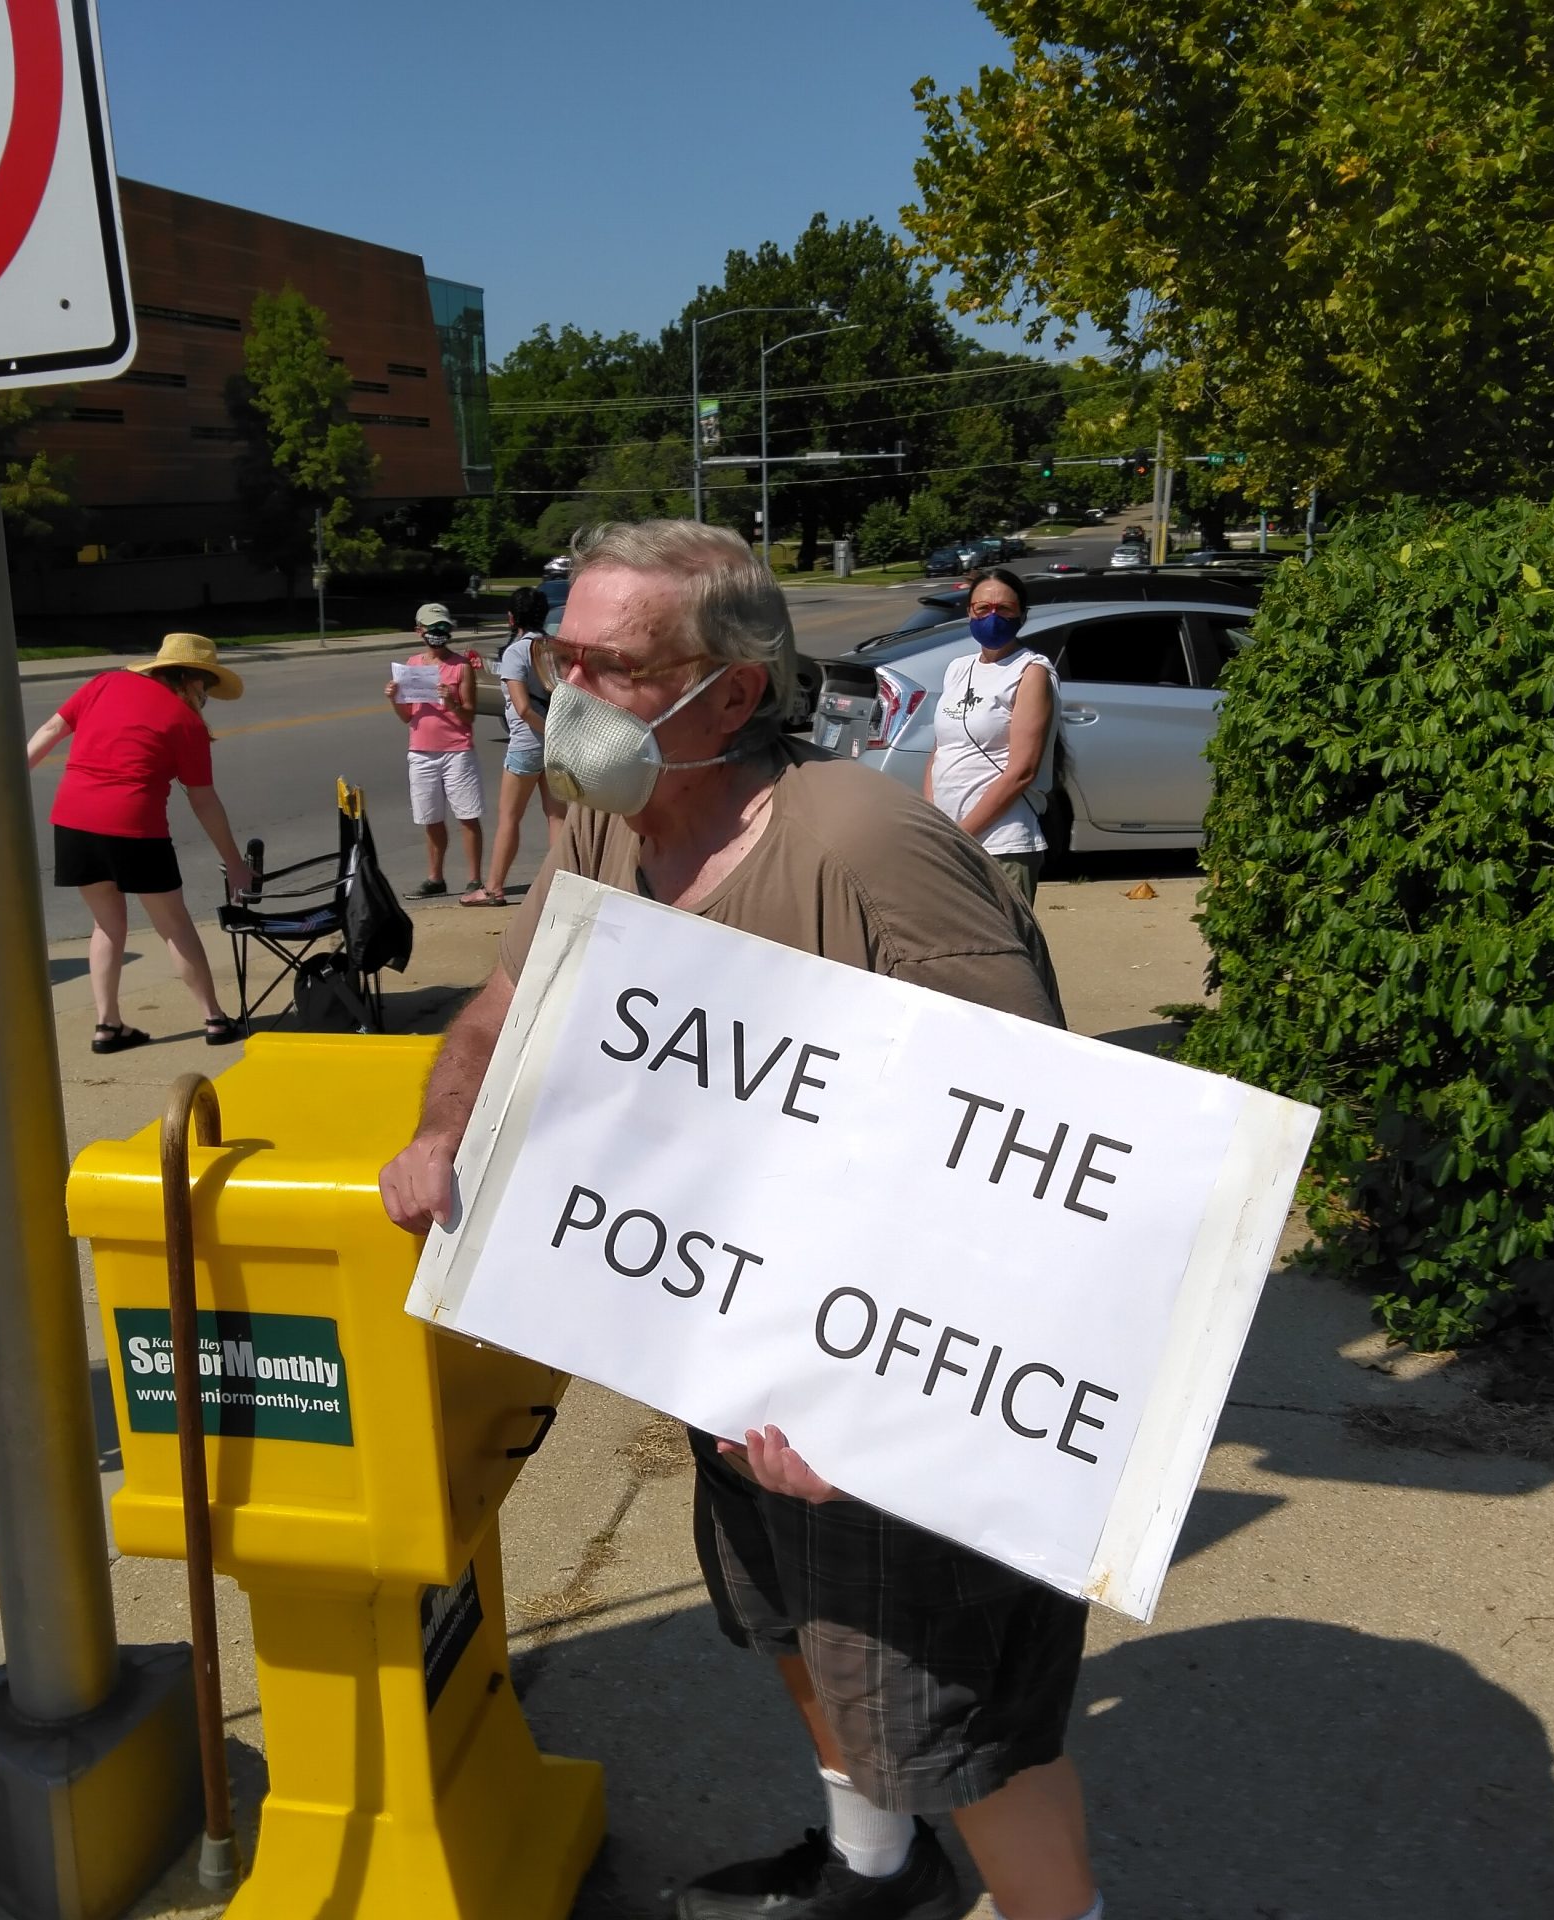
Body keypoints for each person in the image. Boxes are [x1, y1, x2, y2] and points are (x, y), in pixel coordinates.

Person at [378, 522, 1104, 1920]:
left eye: (610, 664)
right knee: (795, 1628)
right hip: (725, 1349)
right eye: (558, 650)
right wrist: (444, 1122)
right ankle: (872, 1872)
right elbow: (507, 1000)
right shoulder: (607, 817)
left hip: (881, 1382)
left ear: (729, 689)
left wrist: (885, 1402)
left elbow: (1033, 1145)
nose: (559, 690)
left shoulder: (870, 846)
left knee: (963, 1722)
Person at [23, 633, 254, 1053]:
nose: (207, 698)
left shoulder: (104, 683)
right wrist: (234, 862)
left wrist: (11, 781)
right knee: (173, 925)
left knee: (106, 925)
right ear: (192, 680)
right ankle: (215, 1019)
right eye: (207, 688)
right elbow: (203, 800)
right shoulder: (187, 724)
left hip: (73, 820)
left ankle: (107, 1026)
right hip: (135, 826)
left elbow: (52, 729)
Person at [923, 566, 1058, 903]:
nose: (992, 617)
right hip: (949, 841)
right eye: (983, 608)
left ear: (1022, 616)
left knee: (1006, 951)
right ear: (969, 612)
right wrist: (934, 822)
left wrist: (961, 836)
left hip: (1002, 844)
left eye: (1004, 609)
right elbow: (941, 749)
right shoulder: (958, 669)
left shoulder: (1031, 672)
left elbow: (1022, 771)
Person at [463, 583, 566, 906]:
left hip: (526, 744)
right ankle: (561, 885)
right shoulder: (553, 648)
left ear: (511, 618)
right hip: (557, 746)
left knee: (509, 816)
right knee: (557, 817)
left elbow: (522, 708)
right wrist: (558, 735)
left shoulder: (517, 651)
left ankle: (493, 888)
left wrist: (544, 732)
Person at [388, 601, 484, 898]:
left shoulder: (460, 667)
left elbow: (469, 716)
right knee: (430, 818)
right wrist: (393, 698)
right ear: (420, 631)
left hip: (456, 751)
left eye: (443, 628)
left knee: (467, 815)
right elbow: (408, 717)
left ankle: (474, 879)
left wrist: (451, 702)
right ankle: (435, 878)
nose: (438, 633)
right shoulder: (412, 666)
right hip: (421, 752)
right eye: (432, 628)